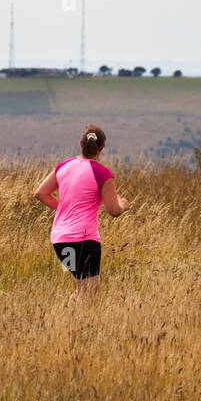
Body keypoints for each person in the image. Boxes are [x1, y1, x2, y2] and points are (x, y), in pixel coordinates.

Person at [34, 124, 129, 294]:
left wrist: (65, 208)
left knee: (81, 286)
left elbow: (41, 193)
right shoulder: (102, 173)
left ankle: (67, 319)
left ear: (81, 143)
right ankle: (75, 320)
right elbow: (113, 211)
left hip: (60, 240)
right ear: (101, 148)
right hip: (84, 239)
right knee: (90, 288)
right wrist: (123, 205)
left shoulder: (63, 166)